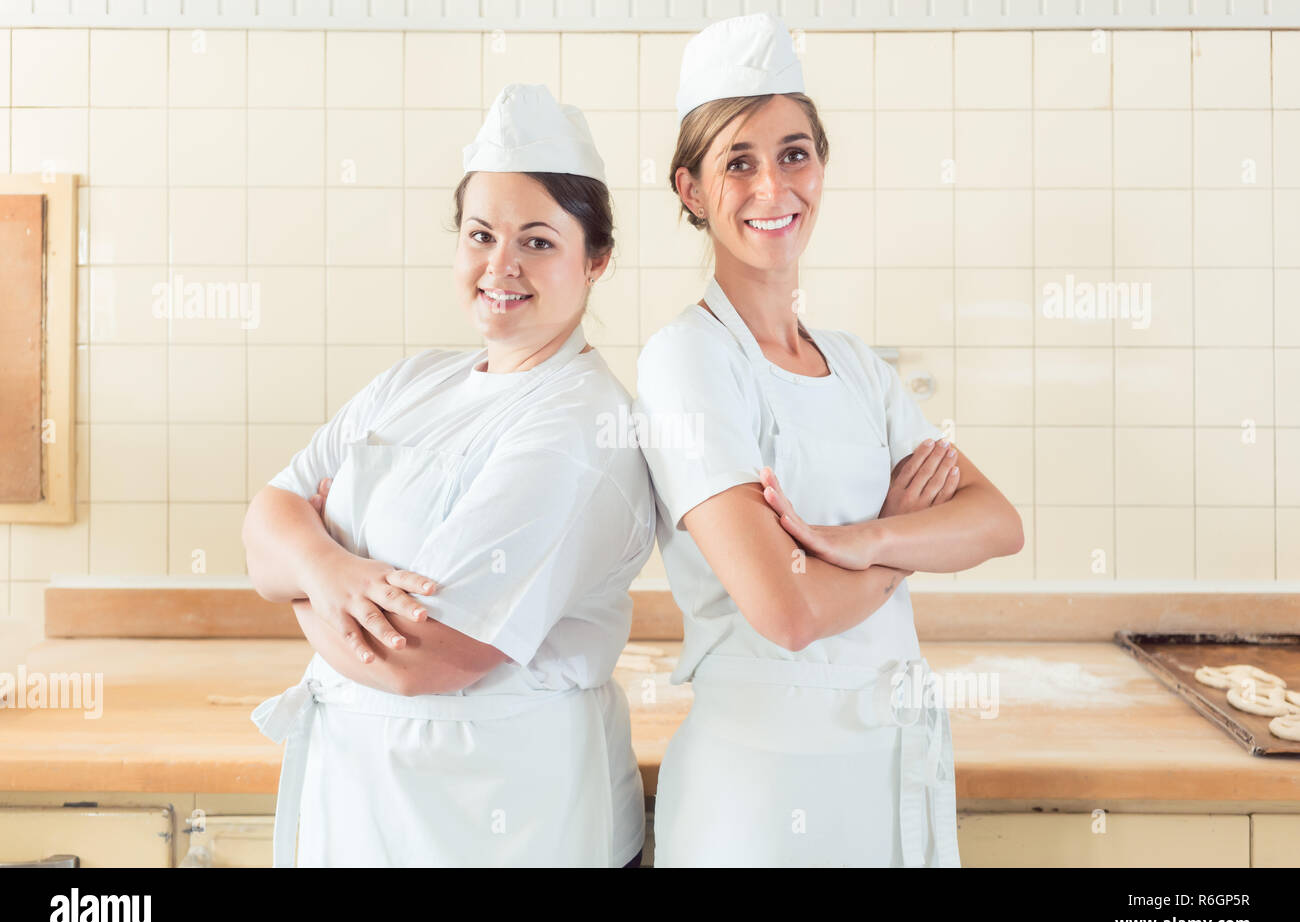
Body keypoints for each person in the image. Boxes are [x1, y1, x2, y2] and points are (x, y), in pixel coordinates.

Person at [632, 13, 1025, 866]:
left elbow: (997, 521)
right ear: (690, 190)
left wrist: (862, 537)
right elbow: (790, 611)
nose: (774, 187)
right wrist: (907, 546)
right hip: (763, 799)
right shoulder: (686, 361)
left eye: (794, 152)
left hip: (882, 776)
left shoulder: (852, 366)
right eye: (738, 161)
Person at [244, 83, 655, 867]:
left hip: (507, 817)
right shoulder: (414, 382)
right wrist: (329, 565)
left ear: (595, 260)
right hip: (365, 807)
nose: (500, 266)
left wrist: (304, 577)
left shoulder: (579, 425)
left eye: (538, 241)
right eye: (480, 235)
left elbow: (421, 657)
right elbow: (265, 517)